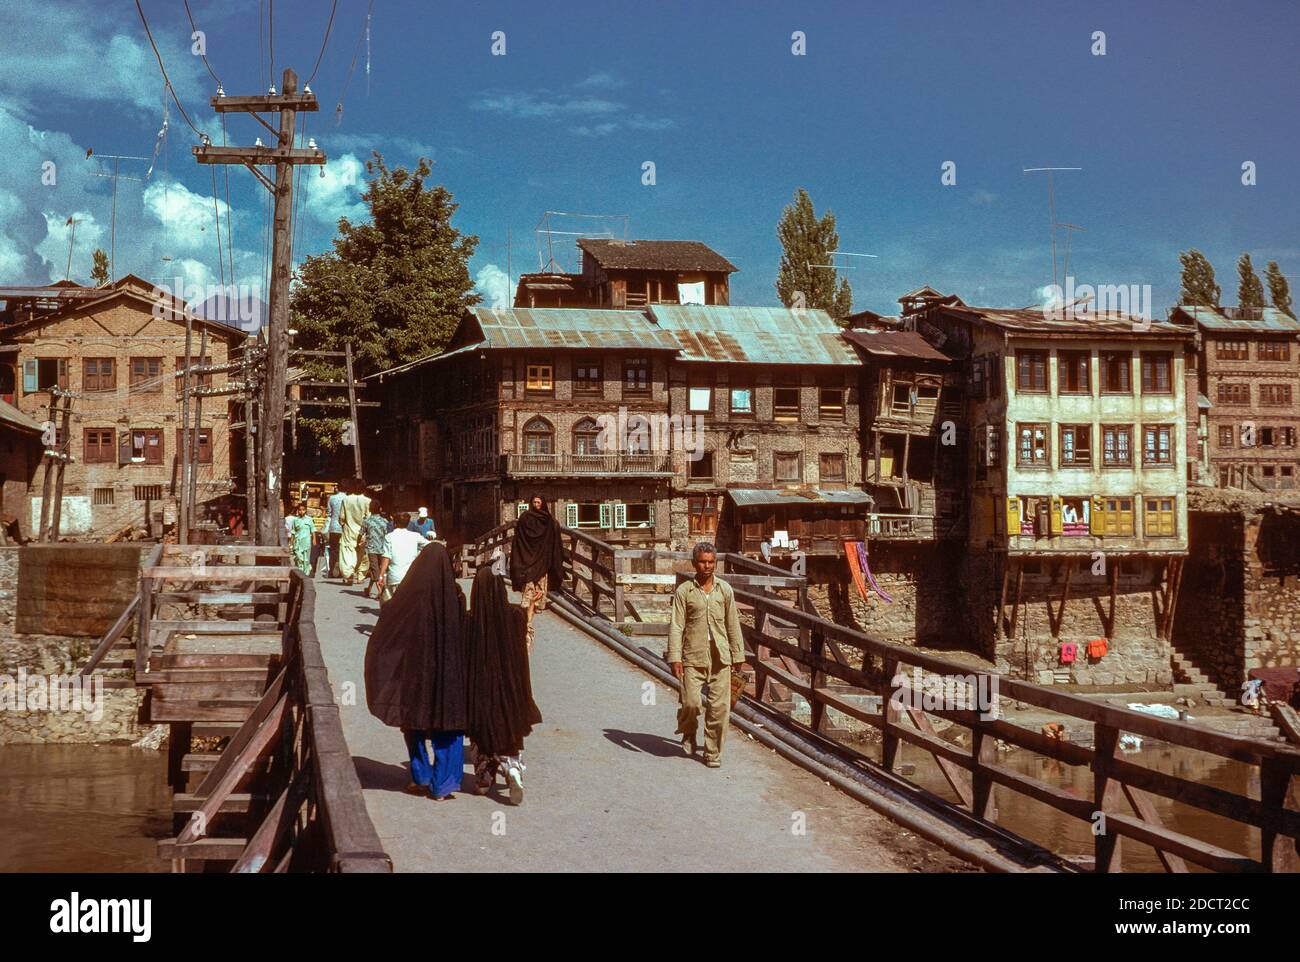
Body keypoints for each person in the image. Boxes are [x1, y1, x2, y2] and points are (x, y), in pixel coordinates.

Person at [365, 542, 468, 800]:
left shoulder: (408, 597)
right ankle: (442, 785)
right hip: (446, 674)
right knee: (448, 726)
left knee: (414, 723)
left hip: (414, 675)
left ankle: (420, 775)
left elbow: (388, 628)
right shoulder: (455, 596)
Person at [465, 566, 542, 804]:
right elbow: (525, 625)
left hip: (481, 692)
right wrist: (530, 606)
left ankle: (485, 776)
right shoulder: (513, 616)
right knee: (509, 732)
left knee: (482, 734)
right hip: (509, 691)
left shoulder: (469, 620)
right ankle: (513, 769)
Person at [667, 542, 746, 769]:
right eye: (703, 561)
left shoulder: (725, 590)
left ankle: (712, 752)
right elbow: (676, 626)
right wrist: (675, 657)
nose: (707, 566)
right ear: (694, 563)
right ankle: (689, 731)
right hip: (693, 655)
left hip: (721, 657)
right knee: (691, 703)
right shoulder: (684, 592)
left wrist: (738, 653)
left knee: (720, 708)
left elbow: (733, 624)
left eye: (711, 562)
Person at [509, 495, 565, 652]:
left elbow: (553, 533)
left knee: (540, 583)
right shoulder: (525, 518)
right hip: (527, 557)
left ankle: (534, 608)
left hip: (542, 558)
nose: (536, 505)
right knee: (528, 583)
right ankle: (527, 613)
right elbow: (519, 538)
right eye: (534, 502)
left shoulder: (548, 521)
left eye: (539, 502)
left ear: (543, 504)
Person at [376, 512, 430, 605]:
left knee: (394, 604)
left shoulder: (389, 537)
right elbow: (429, 545)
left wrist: (381, 576)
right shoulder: (415, 536)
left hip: (395, 577)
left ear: (394, 523)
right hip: (411, 577)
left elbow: (386, 557)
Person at [339, 482, 371, 584]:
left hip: (349, 530)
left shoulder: (346, 500)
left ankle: (348, 574)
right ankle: (360, 576)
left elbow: (341, 518)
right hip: (363, 531)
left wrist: (344, 526)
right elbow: (369, 518)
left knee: (347, 553)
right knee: (363, 554)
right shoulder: (368, 501)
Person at [362, 502, 390, 598]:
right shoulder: (385, 521)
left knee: (375, 570)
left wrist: (358, 542)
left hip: (372, 549)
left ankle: (381, 592)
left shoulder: (367, 521)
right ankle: (368, 589)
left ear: (370, 509)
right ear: (380, 509)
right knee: (377, 569)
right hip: (383, 548)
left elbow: (361, 533)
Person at [288, 503, 315, 576]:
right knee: (298, 557)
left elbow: (312, 530)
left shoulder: (309, 519)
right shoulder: (295, 520)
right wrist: (291, 543)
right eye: (300, 510)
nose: (301, 511)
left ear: (305, 510)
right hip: (298, 542)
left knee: (306, 558)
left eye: (303, 510)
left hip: (306, 541)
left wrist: (314, 539)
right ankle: (300, 572)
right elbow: (293, 532)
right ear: (297, 511)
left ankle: (306, 573)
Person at [326, 485, 346, 577]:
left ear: (337, 488)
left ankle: (332, 571)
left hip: (334, 527)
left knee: (333, 549)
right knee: (343, 550)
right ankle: (342, 571)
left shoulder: (331, 498)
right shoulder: (347, 498)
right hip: (344, 528)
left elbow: (329, 512)